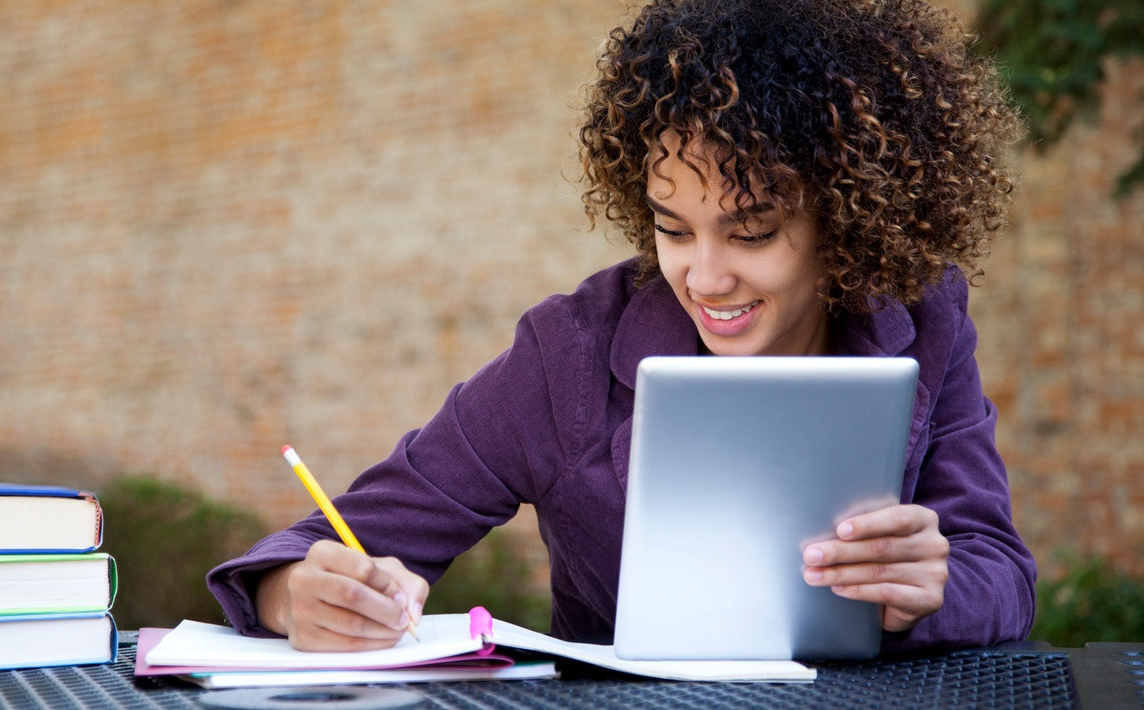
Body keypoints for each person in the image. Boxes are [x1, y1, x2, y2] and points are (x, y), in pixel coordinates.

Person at [207, 0, 1036, 653]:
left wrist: (929, 588)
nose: (704, 279)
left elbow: (1000, 575)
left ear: (849, 220)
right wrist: (298, 598)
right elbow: (318, 546)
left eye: (751, 233)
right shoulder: (567, 353)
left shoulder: (925, 321)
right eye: (673, 229)